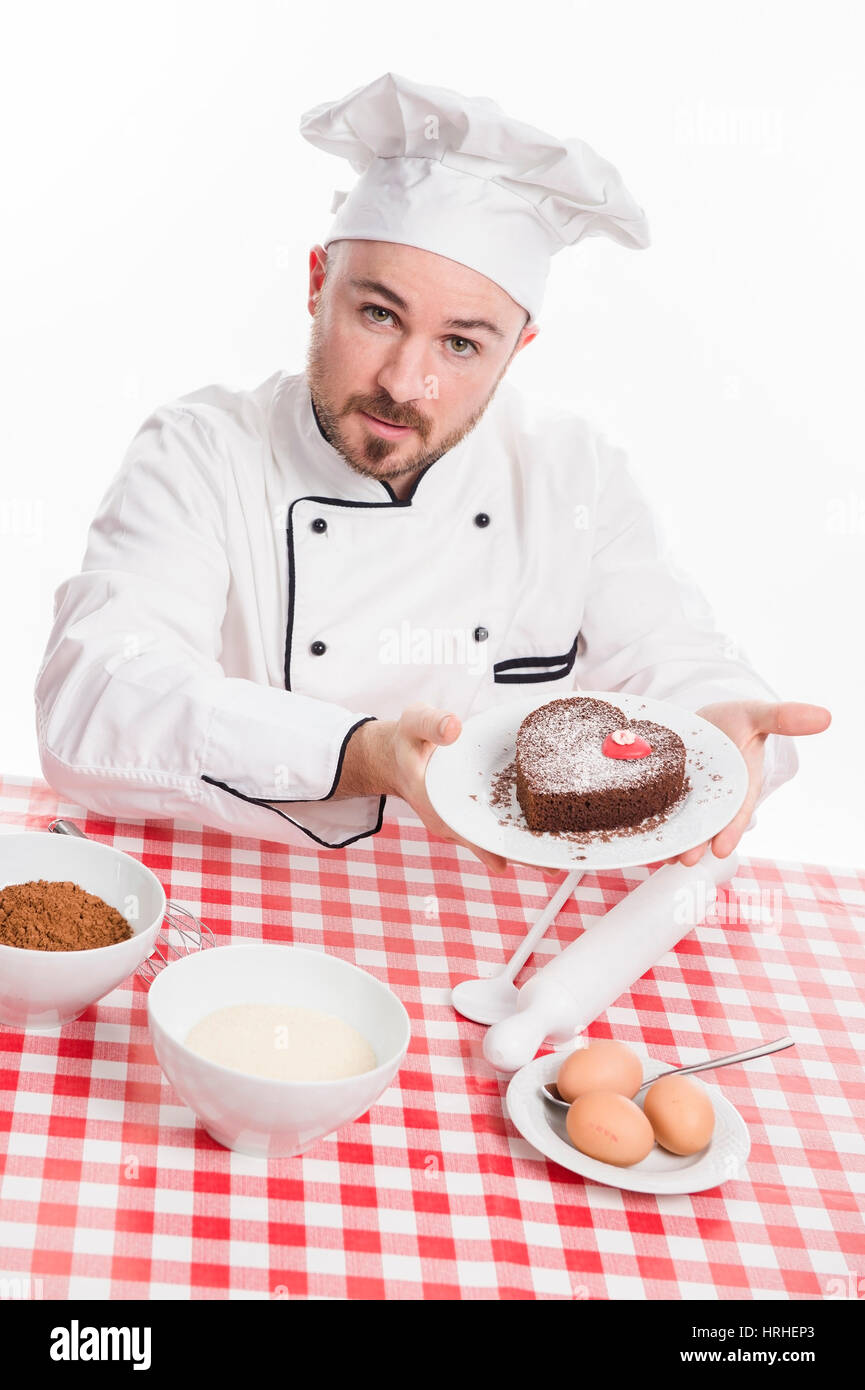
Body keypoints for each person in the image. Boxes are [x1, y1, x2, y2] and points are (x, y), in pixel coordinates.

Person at [34, 72, 830, 874]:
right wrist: (358, 753)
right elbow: (97, 696)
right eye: (378, 314)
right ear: (317, 286)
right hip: (229, 877)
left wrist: (718, 716)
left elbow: (669, 652)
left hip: (477, 905)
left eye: (460, 344)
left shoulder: (570, 474)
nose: (403, 382)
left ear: (514, 351)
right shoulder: (199, 452)